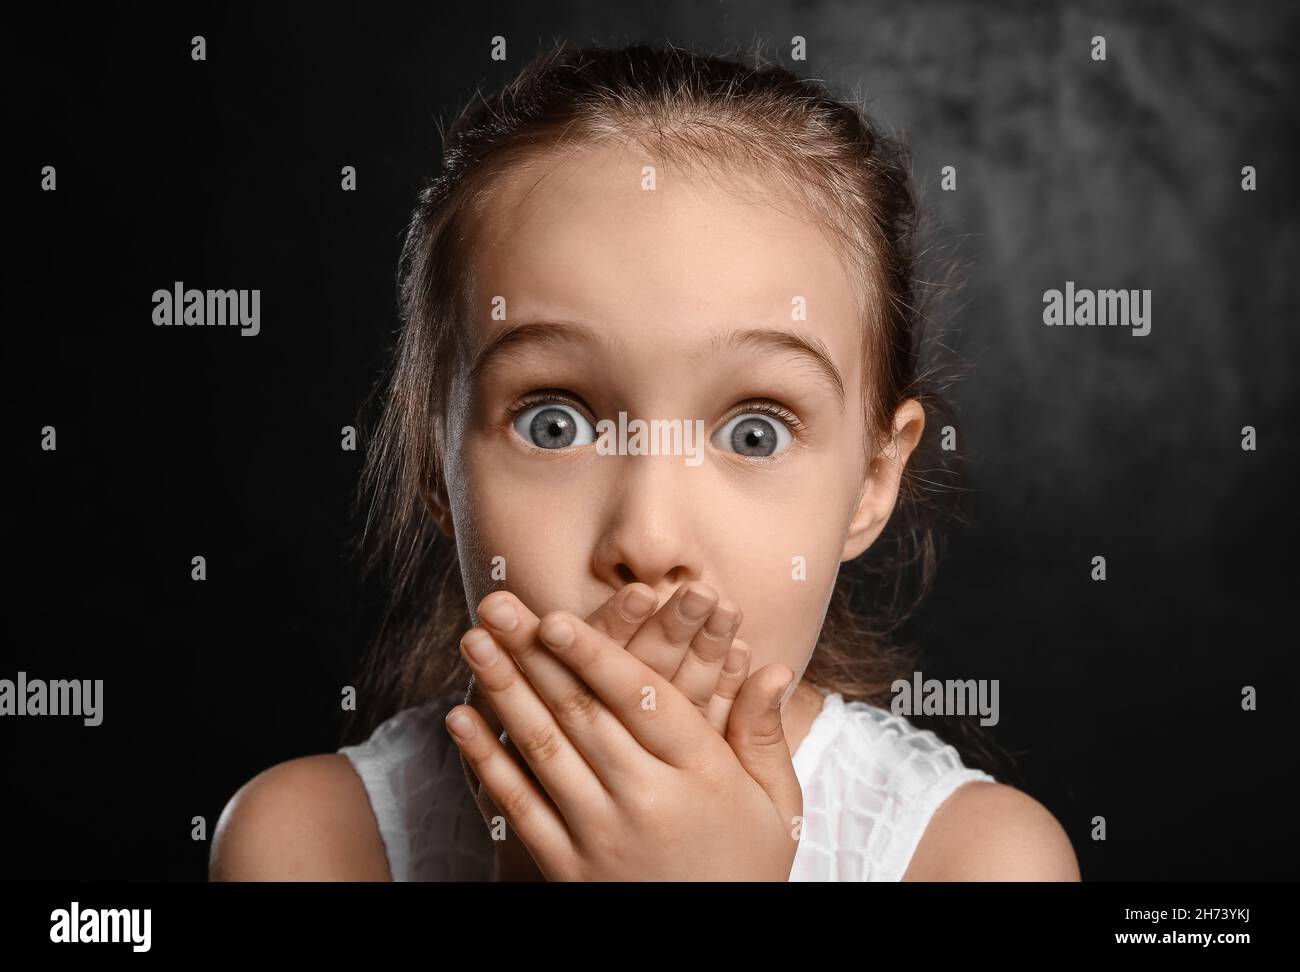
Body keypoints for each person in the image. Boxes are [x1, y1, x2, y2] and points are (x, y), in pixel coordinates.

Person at [210, 41, 1080, 882]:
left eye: (755, 432)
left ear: (871, 484)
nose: (649, 538)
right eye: (554, 423)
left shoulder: (974, 860)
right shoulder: (305, 842)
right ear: (437, 465)